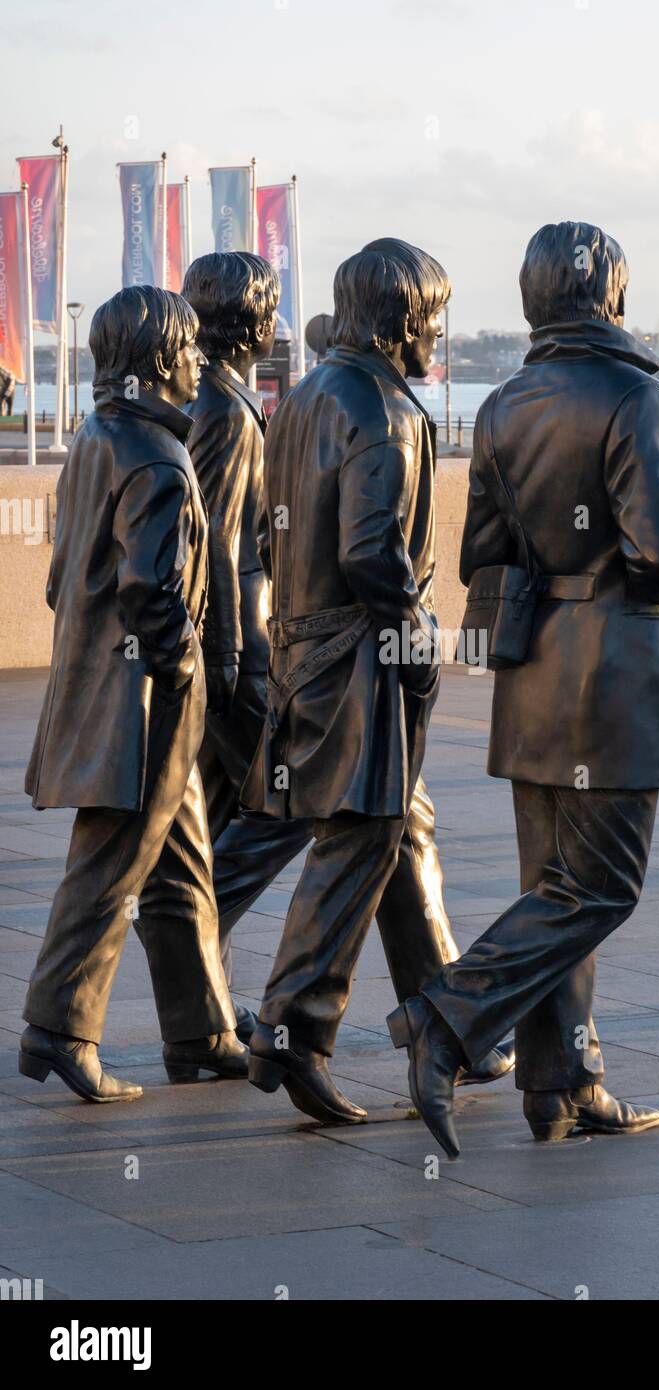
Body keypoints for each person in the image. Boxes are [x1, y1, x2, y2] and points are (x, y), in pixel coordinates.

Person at [386, 222, 659, 1157]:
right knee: (599, 887)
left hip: (534, 673)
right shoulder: (635, 395)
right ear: (609, 295)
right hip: (612, 678)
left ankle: (563, 1084)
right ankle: (443, 1021)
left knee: (553, 884)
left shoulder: (501, 406)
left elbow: (482, 552)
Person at [181, 250, 512, 1086]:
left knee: (405, 829)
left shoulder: (300, 400)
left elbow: (269, 536)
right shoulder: (384, 409)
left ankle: (446, 1019)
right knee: (361, 834)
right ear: (403, 320)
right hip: (362, 663)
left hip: (305, 650)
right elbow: (373, 554)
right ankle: (296, 1037)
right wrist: (417, 647)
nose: (439, 334)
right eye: (433, 317)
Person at [19, 286, 245, 1102]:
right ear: (159, 361)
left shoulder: (96, 438)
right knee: (113, 864)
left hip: (105, 682)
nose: (200, 364)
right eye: (189, 352)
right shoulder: (158, 456)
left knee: (182, 863)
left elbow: (59, 579)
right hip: (143, 698)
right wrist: (183, 665)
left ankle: (203, 1030)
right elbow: (153, 588)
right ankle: (59, 1026)